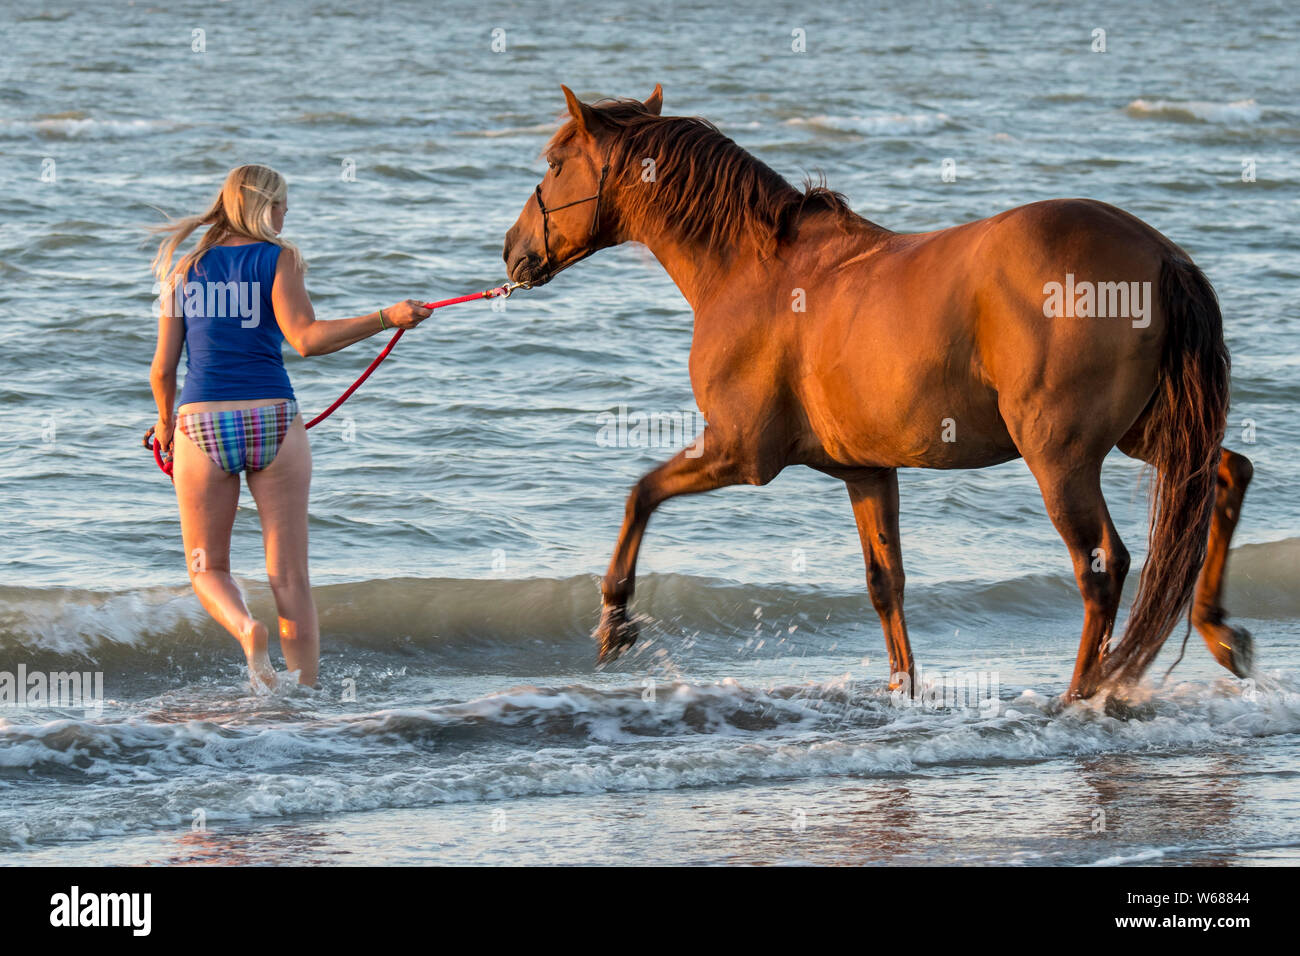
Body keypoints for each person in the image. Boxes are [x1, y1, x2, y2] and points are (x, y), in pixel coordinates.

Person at [145, 164, 431, 688]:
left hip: (201, 425)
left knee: (208, 569)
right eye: (281, 203)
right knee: (290, 575)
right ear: (262, 206)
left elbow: (162, 370)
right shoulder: (280, 258)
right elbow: (307, 339)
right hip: (274, 420)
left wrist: (164, 425)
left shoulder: (182, 270)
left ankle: (248, 629)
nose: (285, 213)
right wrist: (386, 317)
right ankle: (305, 697)